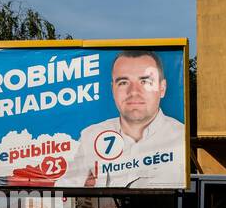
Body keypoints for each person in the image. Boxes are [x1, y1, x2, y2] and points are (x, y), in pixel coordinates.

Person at [60, 50, 185, 189]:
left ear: (162, 88)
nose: (134, 91)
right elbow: (64, 196)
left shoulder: (180, 137)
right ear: (113, 89)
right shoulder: (90, 137)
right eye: (124, 82)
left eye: (145, 81)